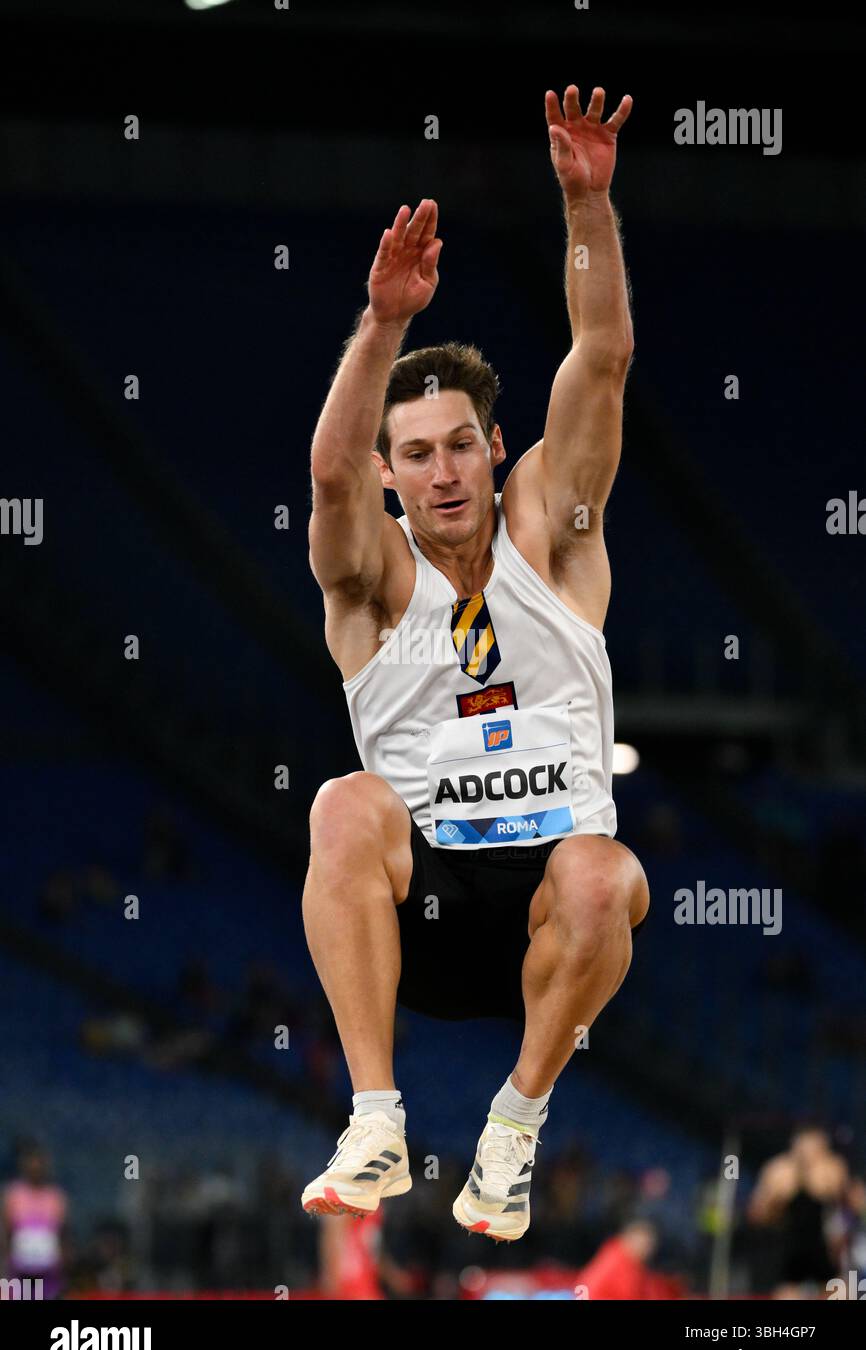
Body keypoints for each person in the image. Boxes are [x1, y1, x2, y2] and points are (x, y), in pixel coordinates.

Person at [301, 84, 649, 1243]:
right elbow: (331, 475)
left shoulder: (554, 535)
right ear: (394, 472)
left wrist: (585, 201)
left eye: (461, 444)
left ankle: (510, 1132)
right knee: (344, 802)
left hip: (555, 907)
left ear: (495, 448)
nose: (443, 471)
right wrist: (382, 322)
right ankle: (374, 1119)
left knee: (609, 871)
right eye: (416, 453)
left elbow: (599, 357)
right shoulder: (369, 579)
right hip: (431, 909)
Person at [747, 1125, 850, 1296]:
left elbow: (846, 1204)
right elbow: (757, 1214)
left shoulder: (832, 1168)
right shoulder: (777, 1171)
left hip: (820, 1245)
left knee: (840, 1291)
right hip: (788, 1245)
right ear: (795, 1145)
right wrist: (775, 1201)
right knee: (788, 1292)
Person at [1, 1143, 69, 1299]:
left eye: (39, 1162)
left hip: (49, 1269)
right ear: (23, 1165)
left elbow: (63, 1233)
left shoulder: (55, 1196)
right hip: (19, 1268)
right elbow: (6, 1232)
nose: (35, 1167)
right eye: (31, 1162)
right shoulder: (13, 1195)